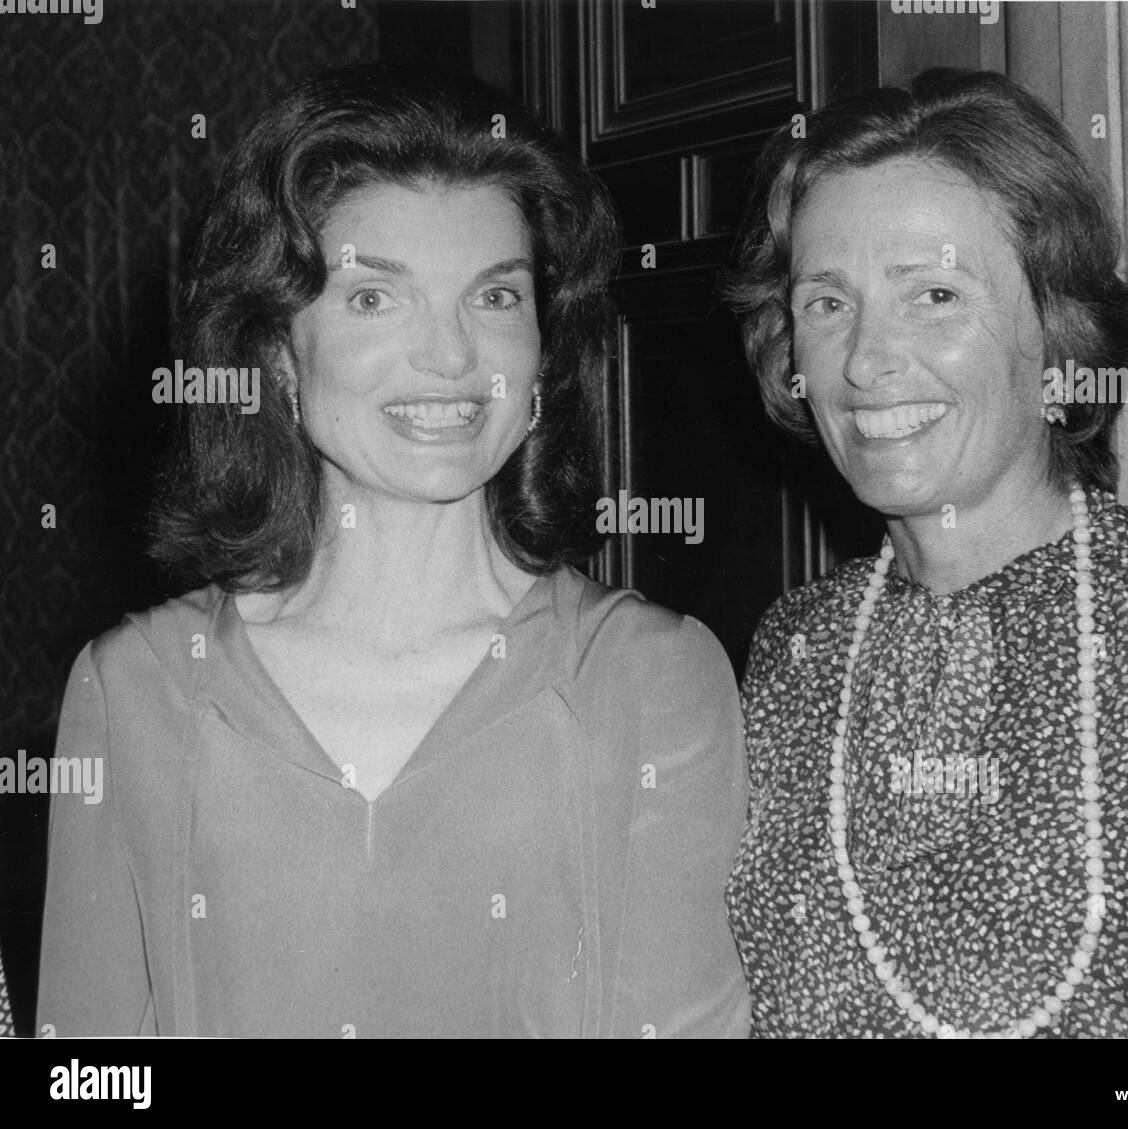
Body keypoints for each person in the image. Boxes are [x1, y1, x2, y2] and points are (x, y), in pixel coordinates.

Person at [37, 63, 749, 1039]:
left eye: (495, 298)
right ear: (277, 354)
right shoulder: (133, 690)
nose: (451, 357)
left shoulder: (653, 677)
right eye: (376, 299)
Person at [723, 68, 1128, 1039]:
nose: (866, 360)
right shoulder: (793, 653)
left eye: (934, 295)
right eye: (827, 304)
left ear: (1056, 329)